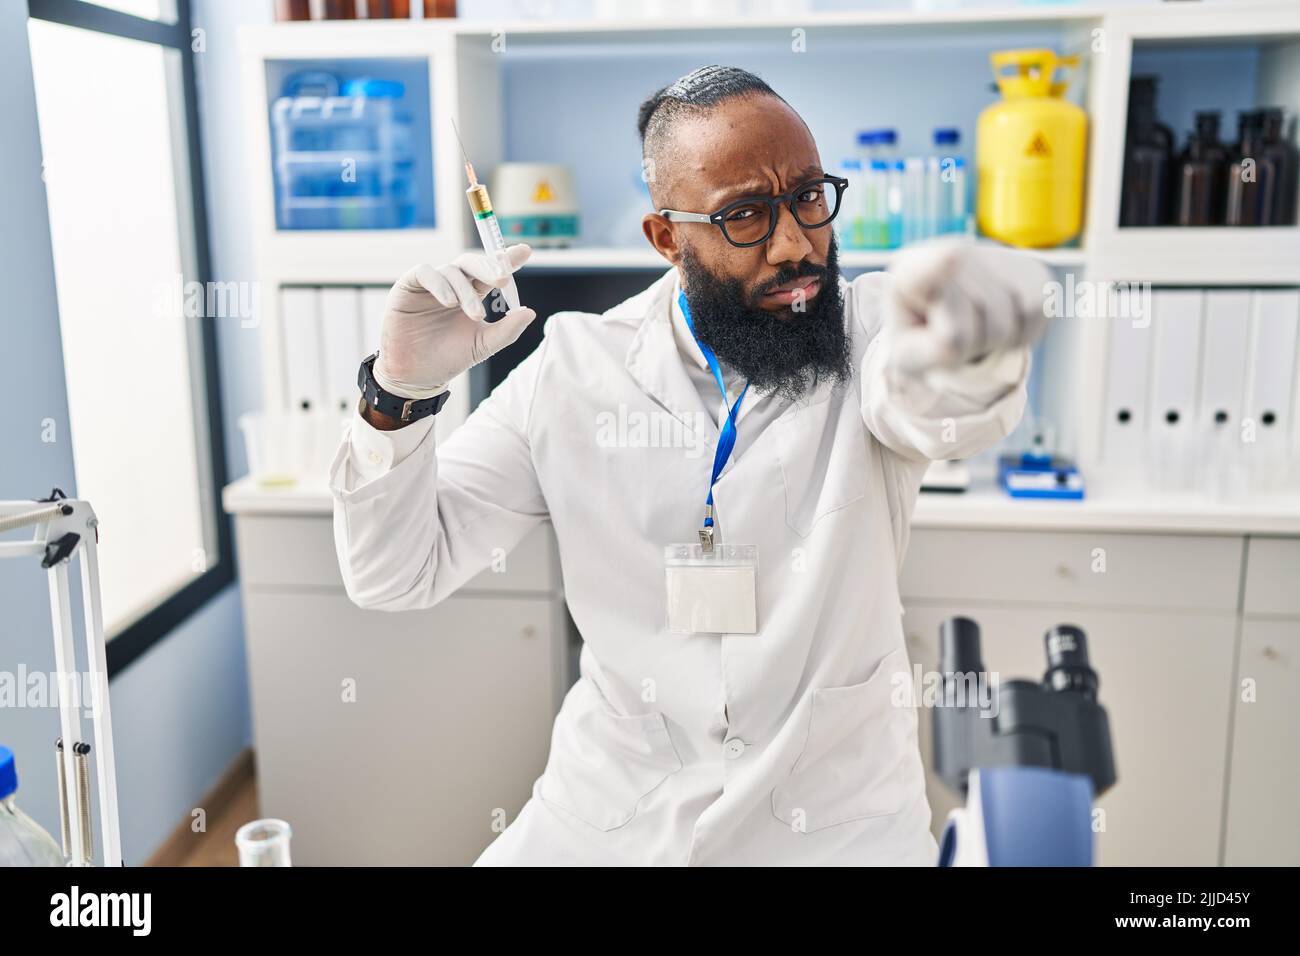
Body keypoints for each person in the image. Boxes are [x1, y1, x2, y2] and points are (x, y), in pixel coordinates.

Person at [329, 65, 1051, 866]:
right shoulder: (573, 371)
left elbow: (936, 403)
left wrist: (979, 346)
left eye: (808, 197)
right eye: (744, 215)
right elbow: (393, 574)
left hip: (838, 825)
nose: (794, 244)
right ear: (667, 239)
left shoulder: (874, 330)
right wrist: (400, 390)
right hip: (612, 814)